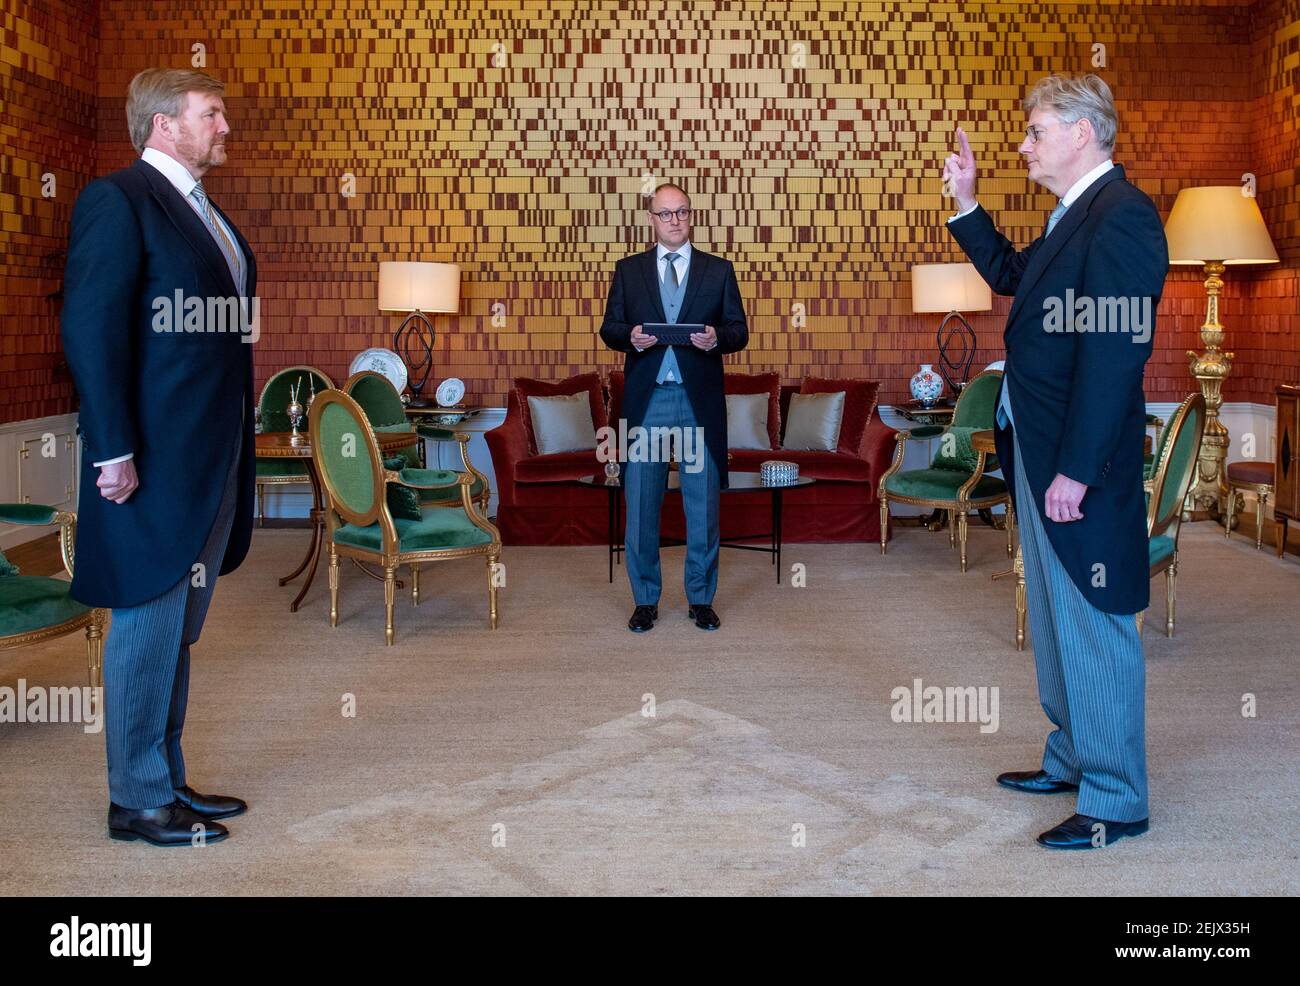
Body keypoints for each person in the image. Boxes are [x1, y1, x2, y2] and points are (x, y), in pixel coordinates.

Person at [943, 74, 1168, 849]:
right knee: (1054, 614)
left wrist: (1076, 469)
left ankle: (1117, 799)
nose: (1023, 145)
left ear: (1082, 131)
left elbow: (1115, 355)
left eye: (1035, 131)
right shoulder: (1075, 215)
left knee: (1094, 621)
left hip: (1078, 465)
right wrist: (967, 202)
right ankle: (1072, 755)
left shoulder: (1122, 216)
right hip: (1038, 450)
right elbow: (1013, 276)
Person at [61, 68, 256, 846]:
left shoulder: (207, 213)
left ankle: (166, 781)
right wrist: (112, 449)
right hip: (146, 464)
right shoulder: (118, 201)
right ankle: (136, 801)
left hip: (209, 458)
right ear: (163, 125)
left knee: (176, 631)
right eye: (212, 113)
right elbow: (91, 328)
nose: (225, 126)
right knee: (144, 625)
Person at [599, 183, 748, 632]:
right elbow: (609, 328)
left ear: (691, 216)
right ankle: (645, 601)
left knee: (702, 507)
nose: (674, 220)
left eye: (681, 211)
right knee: (641, 506)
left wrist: (716, 338)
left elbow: (739, 331)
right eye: (665, 213)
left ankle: (700, 600)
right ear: (651, 220)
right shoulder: (629, 271)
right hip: (648, 403)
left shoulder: (718, 270)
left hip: (697, 402)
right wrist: (630, 337)